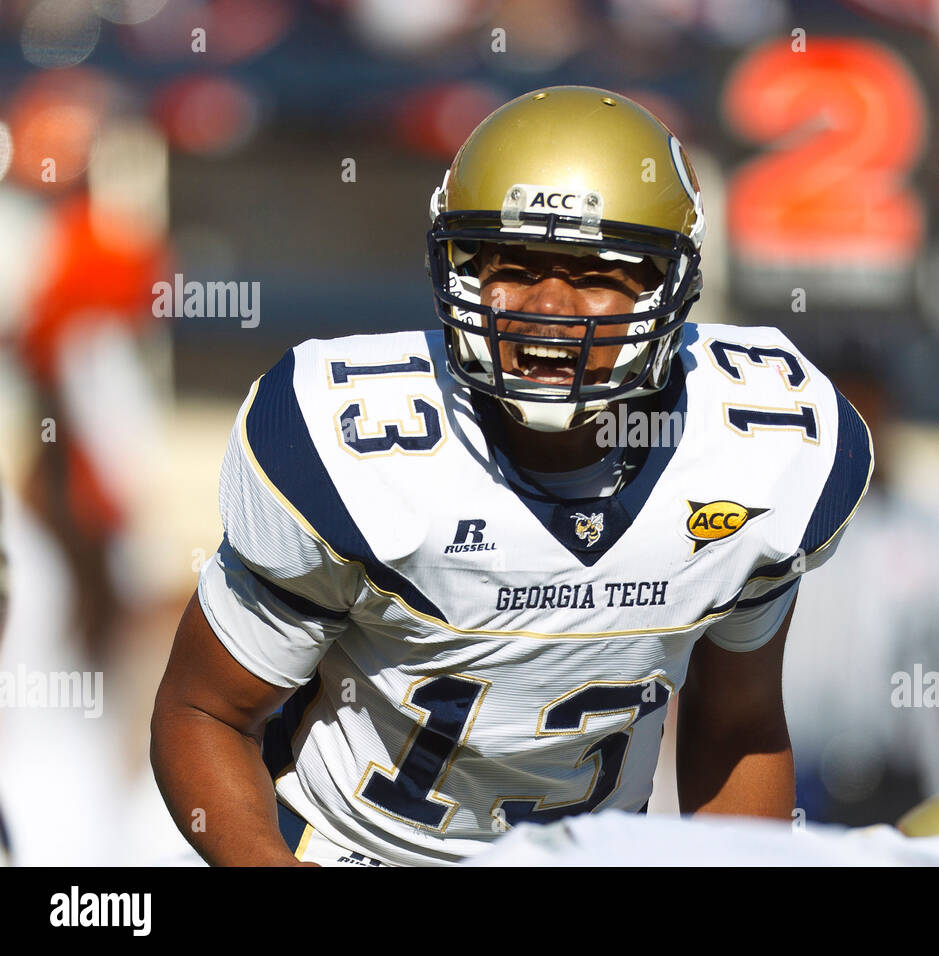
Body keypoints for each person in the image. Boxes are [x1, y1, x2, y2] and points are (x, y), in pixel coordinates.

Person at [150, 86, 873, 866]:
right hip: (353, 848)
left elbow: (739, 731)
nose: (549, 308)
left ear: (673, 289)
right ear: (458, 266)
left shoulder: (759, 448)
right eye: (516, 266)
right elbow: (206, 715)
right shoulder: (352, 450)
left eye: (598, 273)